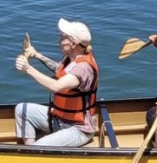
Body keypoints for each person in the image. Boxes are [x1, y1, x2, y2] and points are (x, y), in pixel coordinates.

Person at [13, 18, 99, 146]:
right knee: (22, 109)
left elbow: (57, 86)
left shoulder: (84, 69)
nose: (59, 40)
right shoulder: (71, 58)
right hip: (60, 118)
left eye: (63, 37)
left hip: (78, 129)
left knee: (39, 147)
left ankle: (33, 152)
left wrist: (28, 68)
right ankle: (30, 149)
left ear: (74, 43)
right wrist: (37, 55)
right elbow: (60, 70)